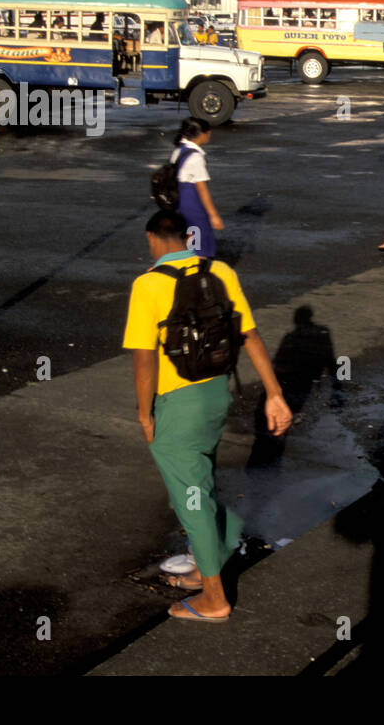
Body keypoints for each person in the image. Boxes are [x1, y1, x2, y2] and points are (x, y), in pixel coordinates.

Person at [123, 210, 293, 623]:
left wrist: (144, 414)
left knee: (189, 495)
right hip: (217, 393)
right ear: (186, 236)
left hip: (177, 401)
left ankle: (214, 598)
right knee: (198, 482)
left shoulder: (146, 284)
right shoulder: (219, 271)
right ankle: (210, 557)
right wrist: (274, 393)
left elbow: (144, 361)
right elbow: (248, 333)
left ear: (152, 239)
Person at [167, 118, 226, 258]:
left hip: (178, 203)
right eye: (208, 133)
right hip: (192, 206)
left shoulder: (179, 150)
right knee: (198, 246)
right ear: (201, 134)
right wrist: (213, 215)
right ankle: (197, 274)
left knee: (185, 241)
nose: (209, 135)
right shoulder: (196, 157)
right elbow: (202, 189)